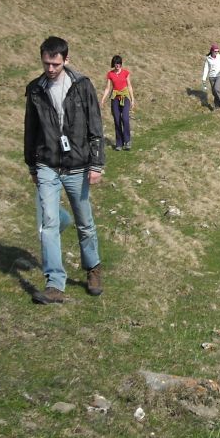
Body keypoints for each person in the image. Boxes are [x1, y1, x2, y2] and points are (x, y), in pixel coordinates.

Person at [24, 36, 104, 304]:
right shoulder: (35, 90)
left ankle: (93, 268)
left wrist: (96, 164)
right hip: (47, 165)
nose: (50, 69)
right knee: (48, 224)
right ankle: (54, 284)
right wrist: (32, 165)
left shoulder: (82, 86)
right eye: (46, 63)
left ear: (66, 60)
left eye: (55, 64)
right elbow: (30, 130)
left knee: (85, 222)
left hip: (78, 166)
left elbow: (95, 126)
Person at [99, 55, 135, 151]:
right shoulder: (110, 74)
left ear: (121, 64)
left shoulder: (126, 73)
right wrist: (102, 99)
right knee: (117, 120)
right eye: (116, 63)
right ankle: (119, 143)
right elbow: (108, 88)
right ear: (113, 64)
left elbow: (129, 86)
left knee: (125, 118)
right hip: (115, 98)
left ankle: (127, 141)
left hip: (125, 97)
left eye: (119, 63)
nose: (117, 65)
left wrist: (132, 99)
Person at [201, 43, 220, 110]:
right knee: (214, 92)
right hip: (211, 77)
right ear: (212, 51)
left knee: (216, 88)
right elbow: (206, 69)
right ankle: (217, 107)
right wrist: (204, 78)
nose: (216, 52)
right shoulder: (208, 59)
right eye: (215, 51)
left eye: (217, 51)